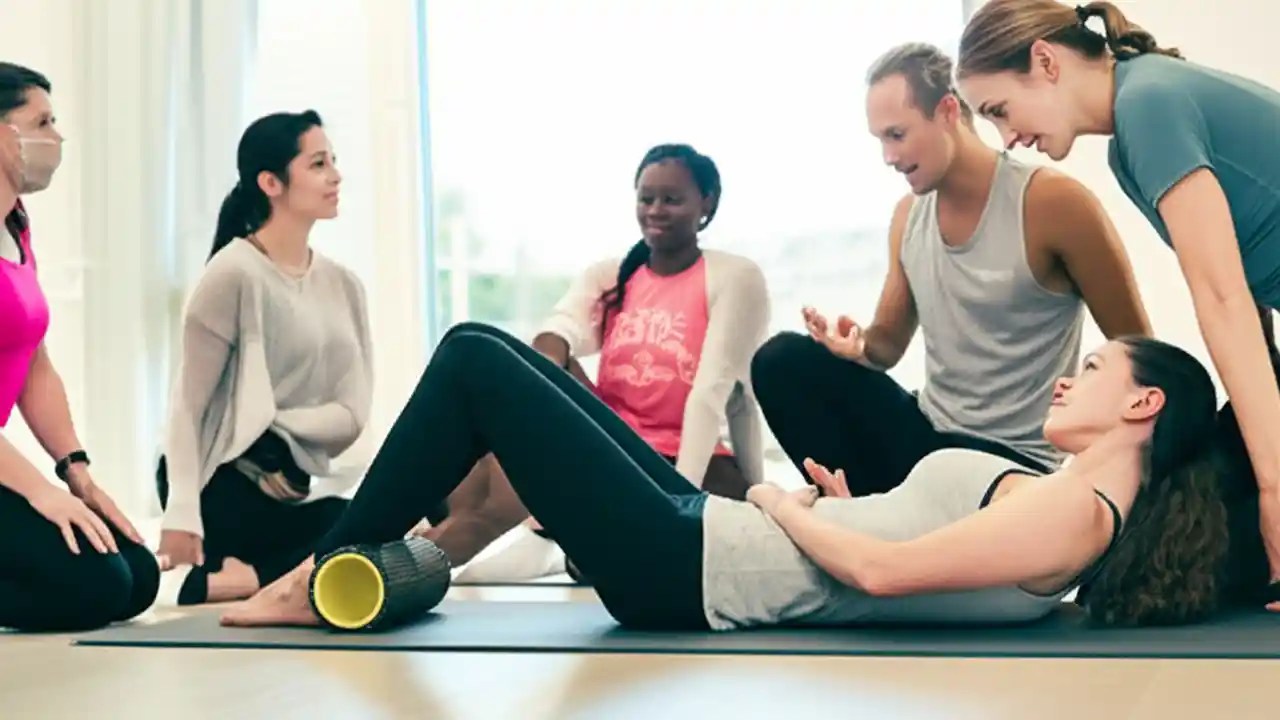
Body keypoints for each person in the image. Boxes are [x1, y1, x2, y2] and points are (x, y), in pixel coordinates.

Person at [221, 321, 1251, 631]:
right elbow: (910, 556)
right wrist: (855, 511)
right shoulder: (1061, 497)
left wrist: (767, 497)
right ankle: (385, 547)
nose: (1071, 377)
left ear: (1142, 404)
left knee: (470, 360)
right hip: (706, 542)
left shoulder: (1078, 511)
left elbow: (884, 580)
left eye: (1093, 370)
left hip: (696, 566)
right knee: (511, 362)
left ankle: (317, 569)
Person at [954, 0, 1280, 611]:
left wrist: (1275, 488)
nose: (1007, 137)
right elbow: (1244, 282)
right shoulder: (1131, 131)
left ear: (1044, 62)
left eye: (999, 110)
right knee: (1143, 567)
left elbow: (1220, 296)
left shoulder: (1148, 107)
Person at [751, 42, 1150, 498]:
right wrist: (854, 345)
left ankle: (880, 522)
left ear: (946, 112)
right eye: (879, 139)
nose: (887, 156)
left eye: (896, 135)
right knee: (780, 360)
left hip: (1009, 463)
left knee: (942, 479)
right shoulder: (908, 215)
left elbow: (1140, 351)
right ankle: (856, 514)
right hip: (927, 435)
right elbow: (886, 347)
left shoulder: (1054, 205)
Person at [422, 143, 770, 570]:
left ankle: (528, 528)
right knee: (538, 368)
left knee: (504, 515)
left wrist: (680, 506)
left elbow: (710, 396)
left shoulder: (731, 277)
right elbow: (558, 331)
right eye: (646, 198)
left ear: (707, 202)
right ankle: (457, 529)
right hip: (608, 448)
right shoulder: (613, 275)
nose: (656, 210)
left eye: (672, 199)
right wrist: (535, 405)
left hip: (680, 462)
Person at [155, 109, 372, 605]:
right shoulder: (233, 273)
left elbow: (352, 413)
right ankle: (253, 573)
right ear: (271, 182)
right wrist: (181, 513)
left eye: (333, 161)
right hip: (224, 484)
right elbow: (188, 406)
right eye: (318, 164)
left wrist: (276, 427)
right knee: (344, 534)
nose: (335, 176)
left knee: (372, 527)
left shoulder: (344, 285)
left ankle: (243, 580)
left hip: (293, 481)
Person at [0, 62, 159, 631]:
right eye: (41, 121)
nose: (57, 138)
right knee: (95, 586)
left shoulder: (15, 225)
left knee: (137, 577)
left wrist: (78, 478)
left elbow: (33, 364)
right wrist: (40, 493)